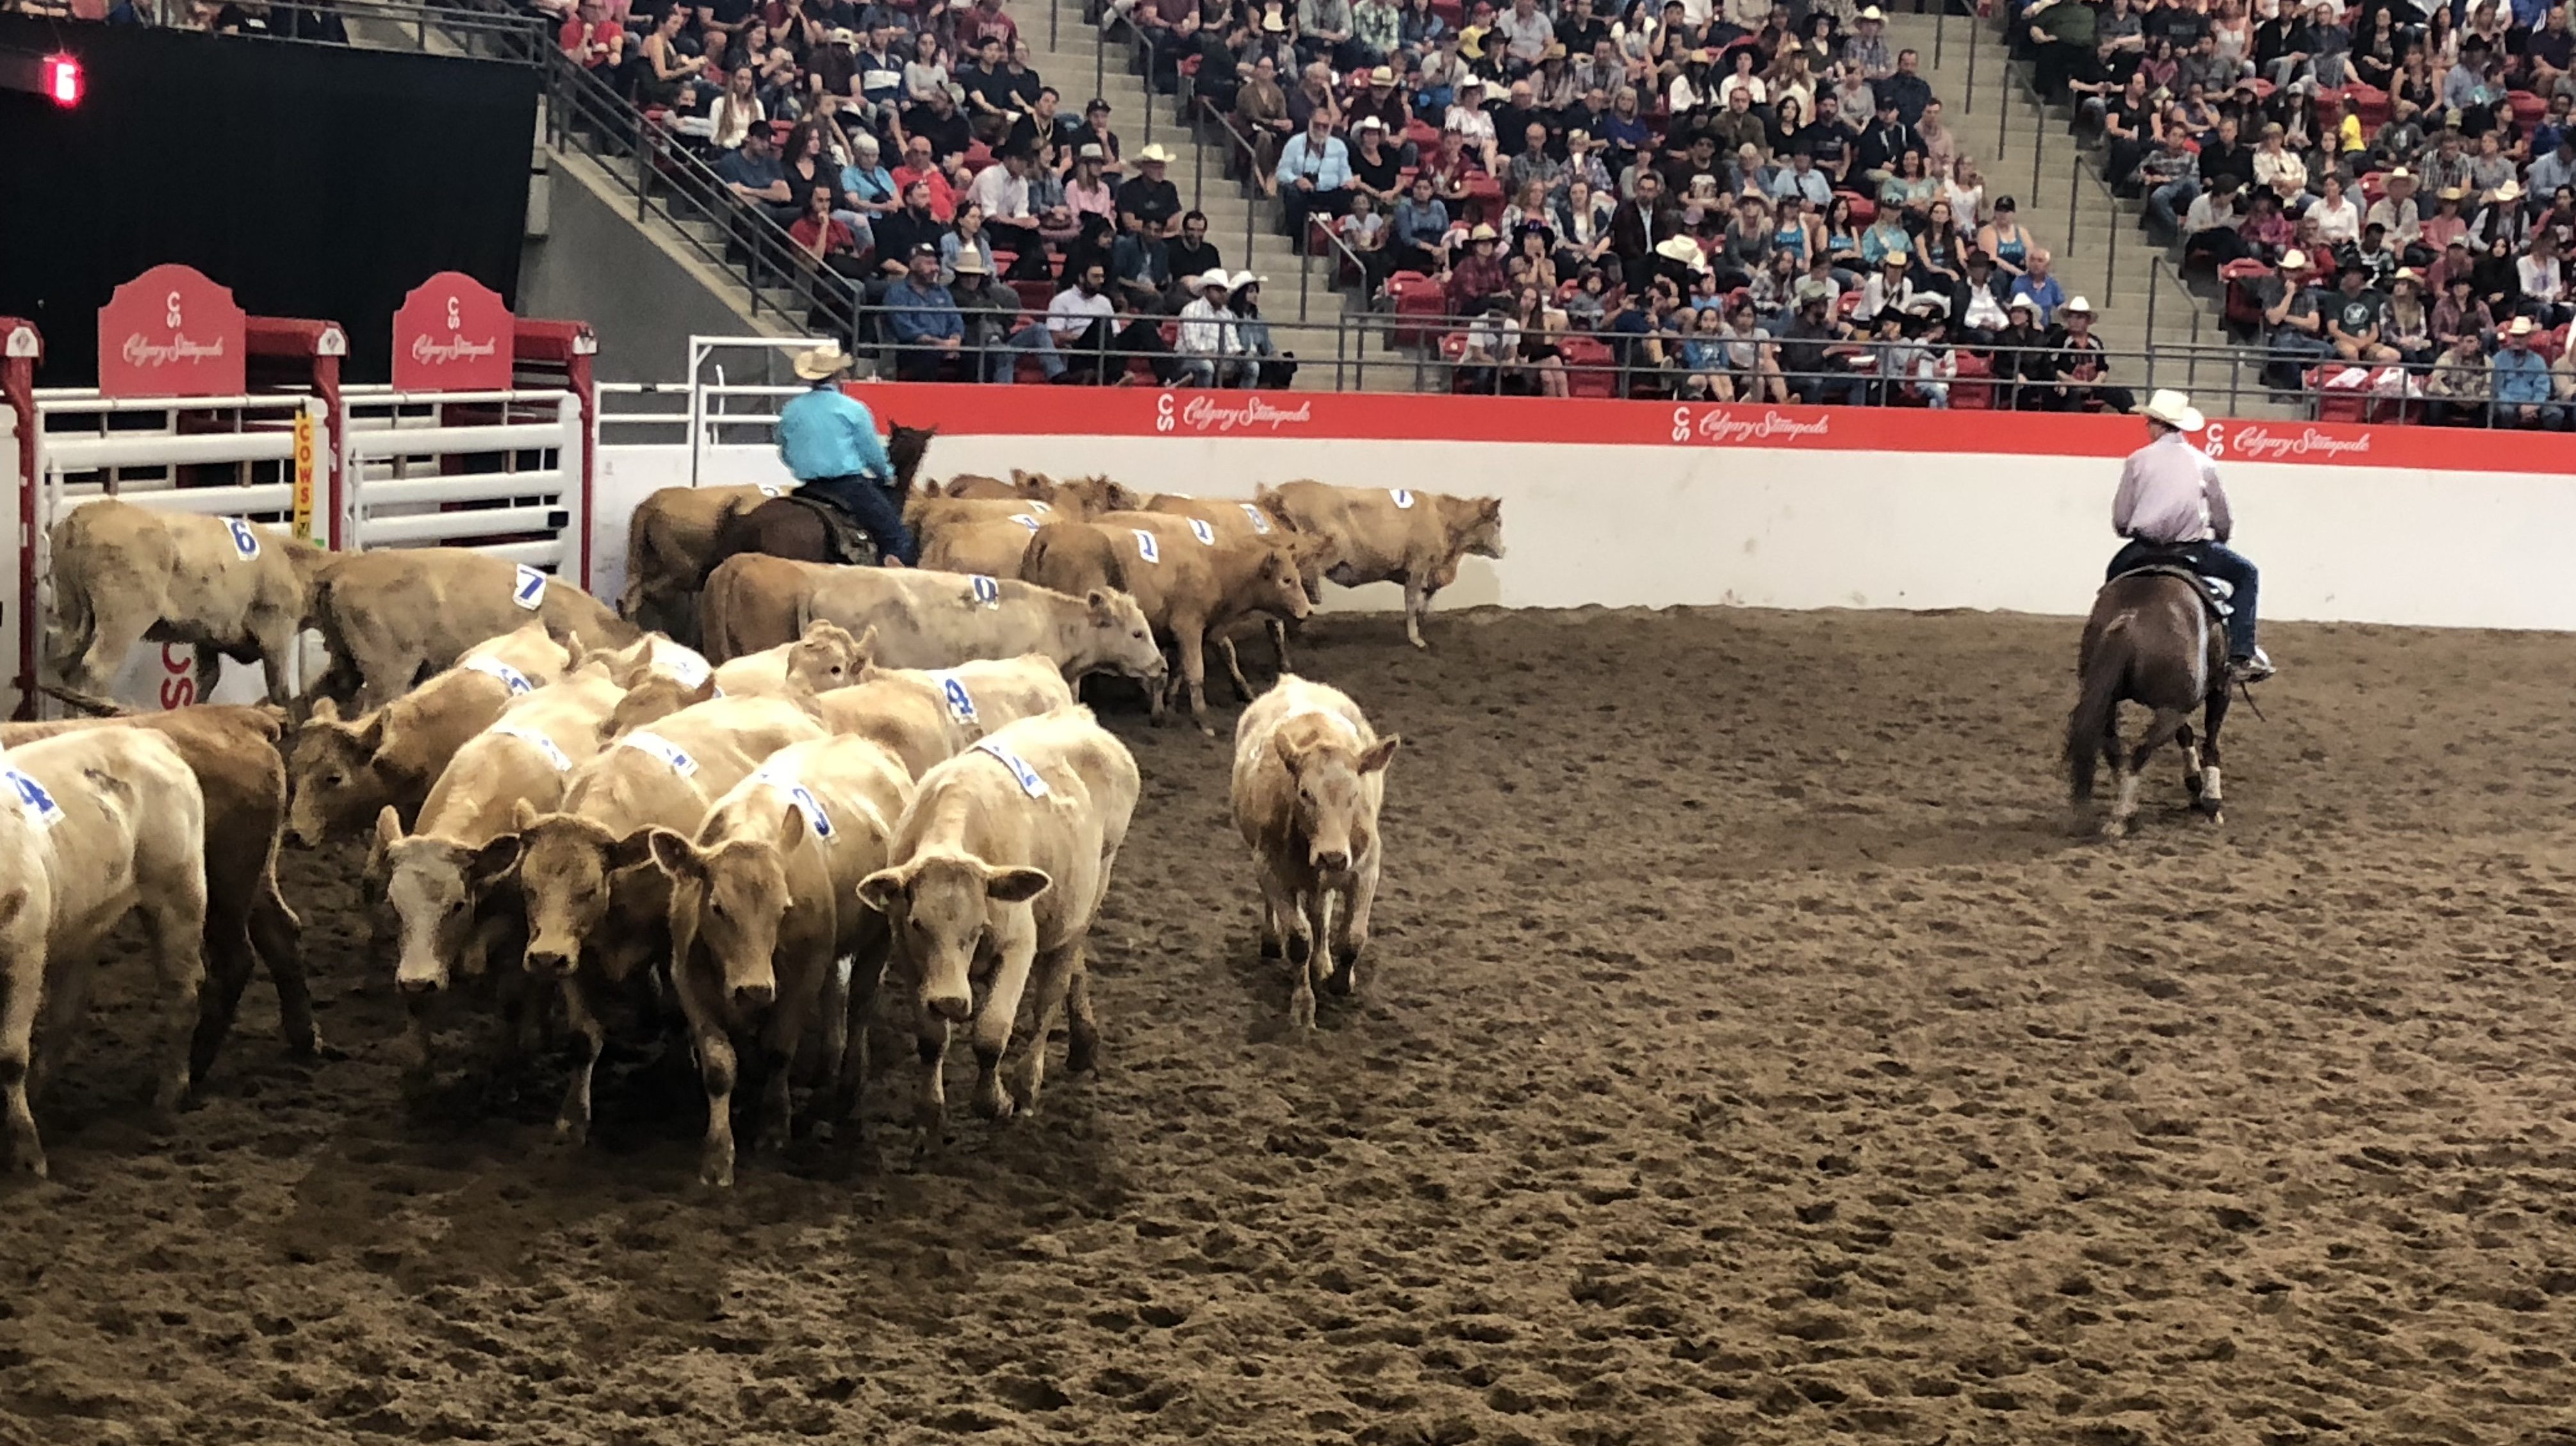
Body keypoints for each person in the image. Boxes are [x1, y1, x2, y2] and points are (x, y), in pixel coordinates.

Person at [2105, 389, 2272, 682]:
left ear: (2158, 424)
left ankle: (2102, 644)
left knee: (2112, 582)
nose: (2147, 427)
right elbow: (2222, 517)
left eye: (2149, 422)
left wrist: (2130, 528)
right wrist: (2221, 537)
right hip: (2191, 550)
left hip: (2143, 549)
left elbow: (2121, 520)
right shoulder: (2204, 463)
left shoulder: (2136, 460)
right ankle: (2240, 654)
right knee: (2247, 574)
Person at [775, 343, 915, 565]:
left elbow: (784, 451)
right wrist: (887, 475)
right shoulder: (852, 409)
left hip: (809, 487)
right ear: (839, 374)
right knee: (898, 538)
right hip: (848, 486)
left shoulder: (791, 409)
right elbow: (872, 454)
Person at [1176, 268, 1242, 386]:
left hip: (1219, 358)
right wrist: (1214, 356)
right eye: (1218, 290)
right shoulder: (1191, 310)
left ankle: (1242, 401)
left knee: (1252, 366)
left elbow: (1233, 344)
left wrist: (1235, 355)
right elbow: (1192, 346)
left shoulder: (1227, 314)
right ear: (1206, 290)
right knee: (1207, 366)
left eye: (1224, 291)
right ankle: (1204, 398)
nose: (1222, 294)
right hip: (1188, 358)